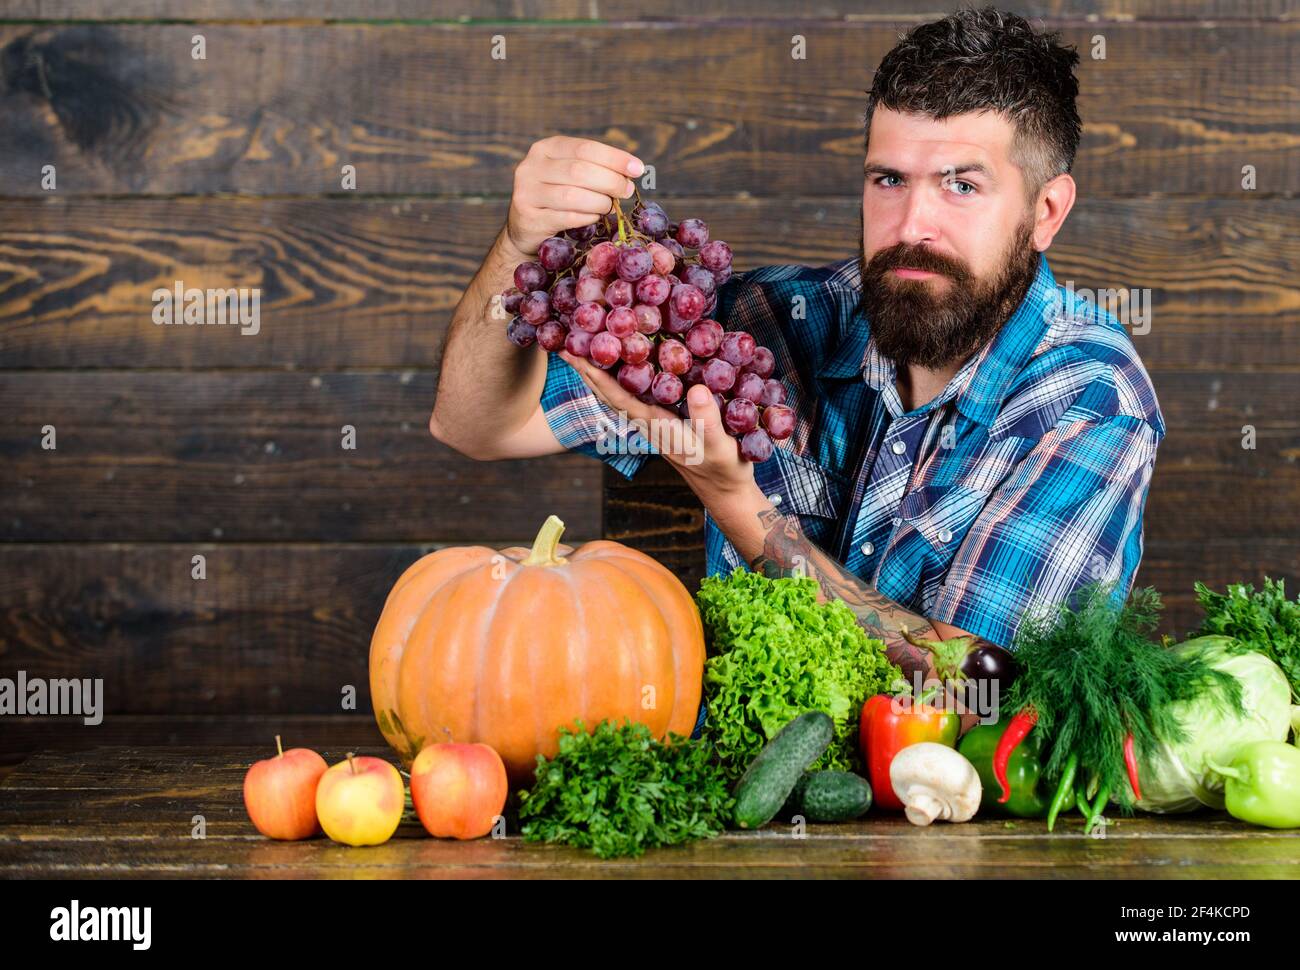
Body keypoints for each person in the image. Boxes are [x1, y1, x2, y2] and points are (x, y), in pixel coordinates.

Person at [430, 7, 1165, 732]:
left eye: (961, 186)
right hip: (732, 825)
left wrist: (739, 506)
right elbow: (473, 422)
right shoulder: (770, 325)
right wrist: (520, 245)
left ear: (1045, 212)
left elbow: (991, 704)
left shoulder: (1092, 397)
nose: (912, 226)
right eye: (888, 180)